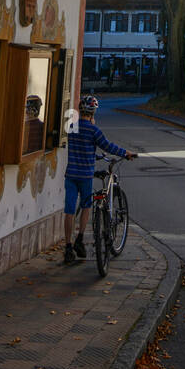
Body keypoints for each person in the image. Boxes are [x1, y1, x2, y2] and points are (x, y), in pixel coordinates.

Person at [63, 93, 137, 263]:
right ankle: (80, 239)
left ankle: (68, 247)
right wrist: (125, 153)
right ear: (93, 112)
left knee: (69, 210)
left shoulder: (72, 127)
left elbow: (80, 146)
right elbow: (108, 146)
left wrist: (93, 155)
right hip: (85, 175)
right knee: (86, 205)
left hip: (71, 174)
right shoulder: (94, 130)